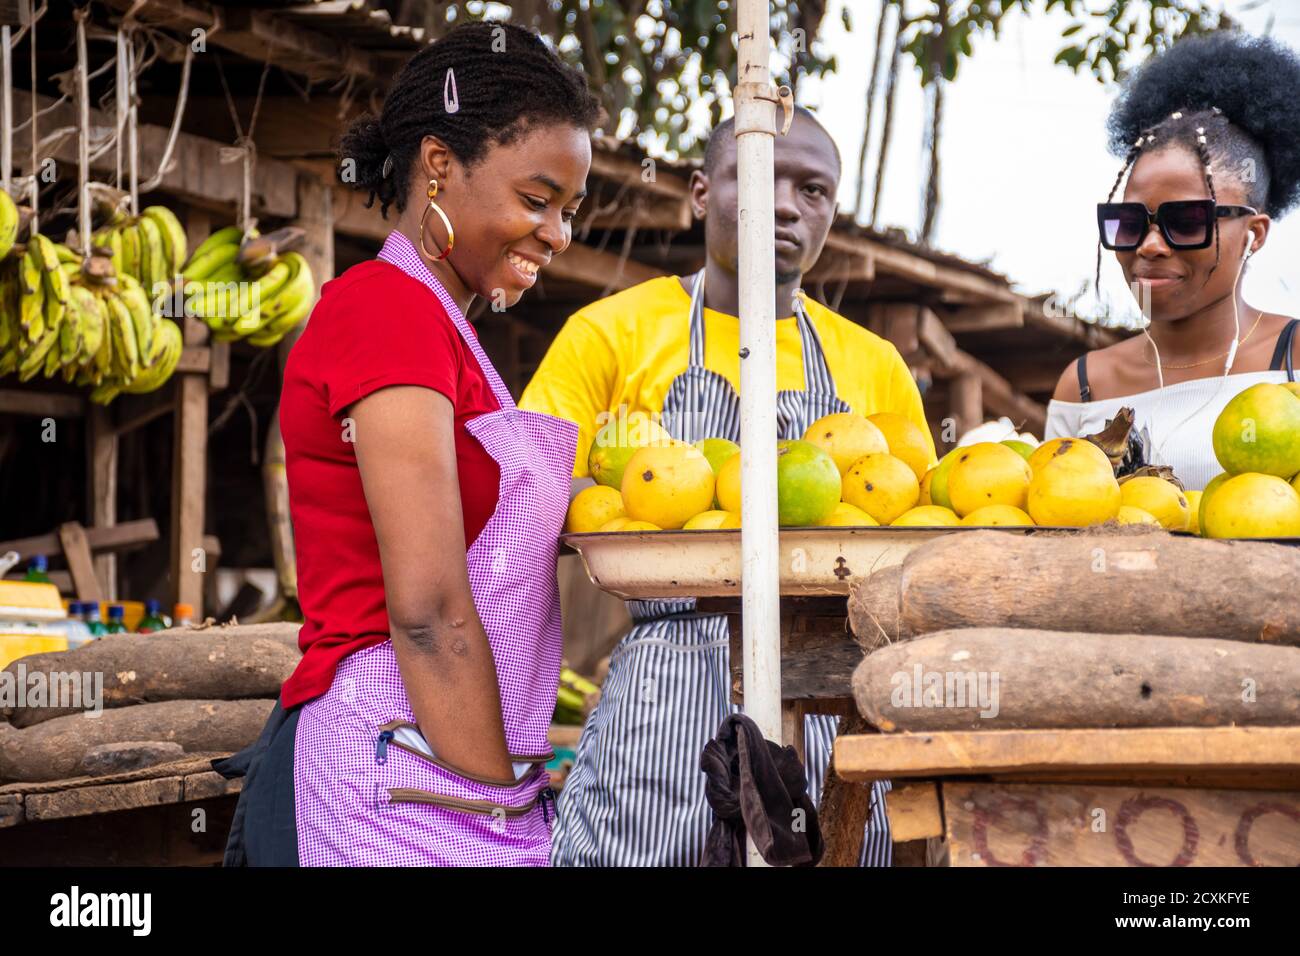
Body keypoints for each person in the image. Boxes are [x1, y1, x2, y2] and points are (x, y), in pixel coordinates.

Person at [214, 22, 601, 866]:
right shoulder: (385, 311)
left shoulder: (446, 331)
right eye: (536, 201)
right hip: (385, 771)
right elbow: (426, 615)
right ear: (437, 165)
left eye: (567, 210)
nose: (558, 234)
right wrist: (498, 805)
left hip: (426, 759)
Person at [519, 106, 936, 866]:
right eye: (760, 177)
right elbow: (524, 498)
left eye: (812, 190)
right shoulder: (610, 334)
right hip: (663, 697)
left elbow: (918, 535)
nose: (785, 204)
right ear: (701, 190)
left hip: (833, 697)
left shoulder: (873, 365)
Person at [1047, 32, 1300, 490]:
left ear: (1253, 234)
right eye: (1127, 222)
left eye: (1185, 221)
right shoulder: (1084, 385)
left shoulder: (1293, 358)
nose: (1149, 246)